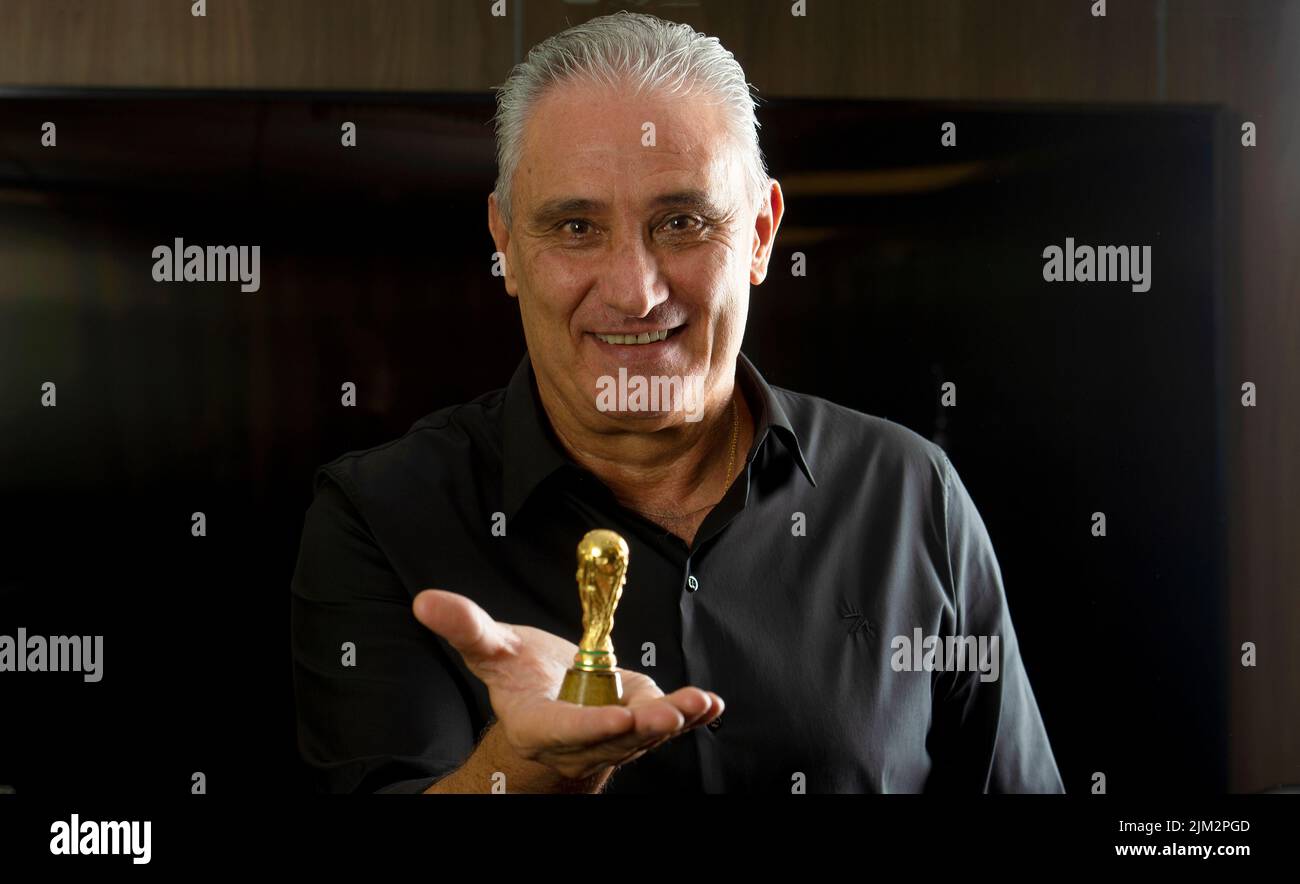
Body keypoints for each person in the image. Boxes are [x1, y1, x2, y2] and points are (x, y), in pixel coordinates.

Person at [290, 11, 1064, 794]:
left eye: (684, 222)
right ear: (507, 245)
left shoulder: (911, 492)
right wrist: (523, 772)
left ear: (761, 234)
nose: (635, 291)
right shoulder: (377, 519)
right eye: (576, 225)